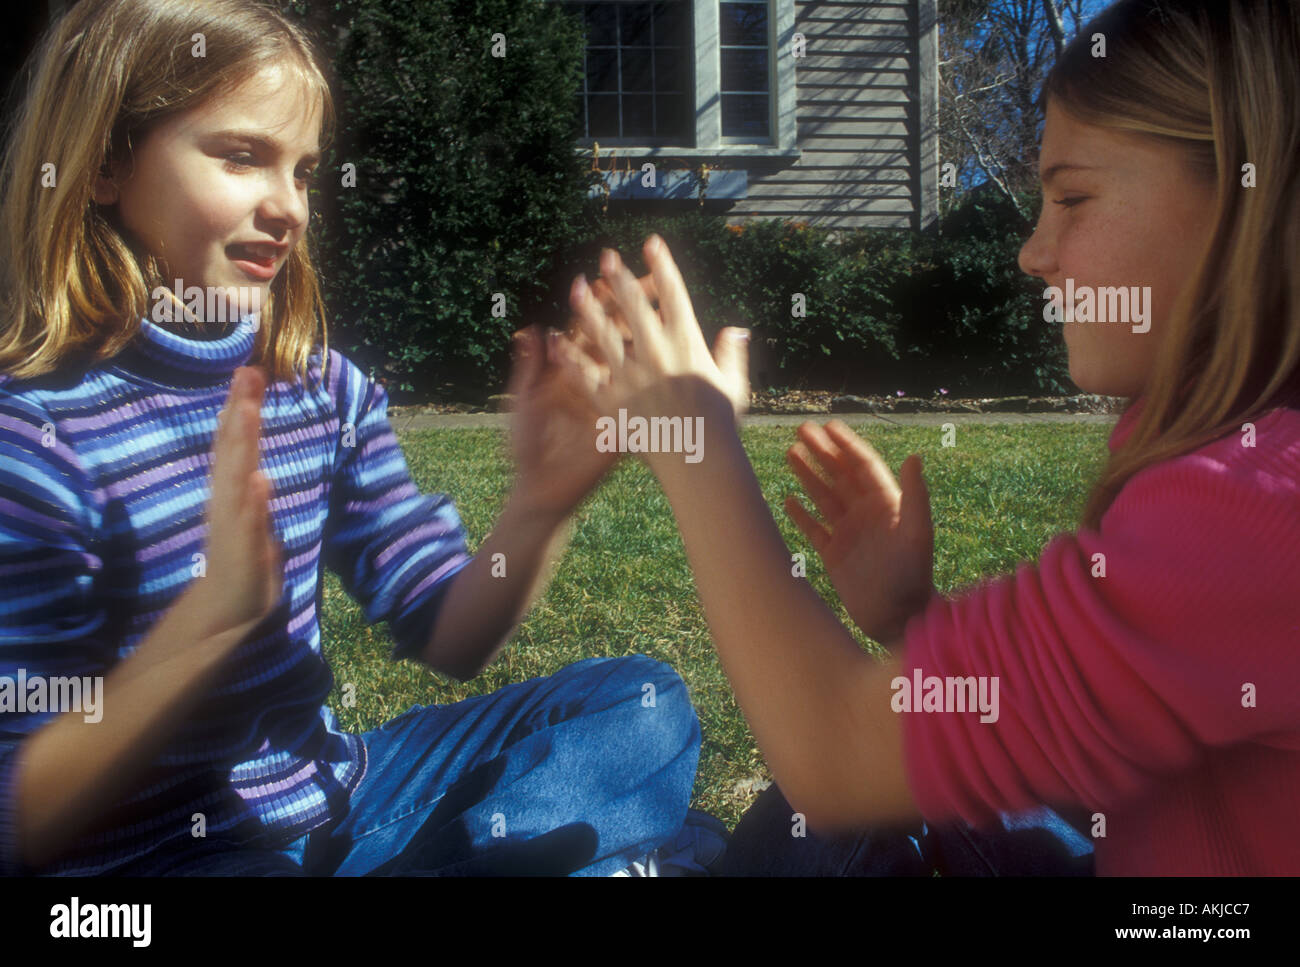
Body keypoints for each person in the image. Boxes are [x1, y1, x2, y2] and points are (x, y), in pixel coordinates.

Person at [556, 0, 1300, 875]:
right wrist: (918, 621)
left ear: (1250, 197)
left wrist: (693, 442)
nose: (1033, 252)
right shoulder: (1236, 462)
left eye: (1073, 197)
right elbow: (1104, 738)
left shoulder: (1252, 509)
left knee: (824, 816)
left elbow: (836, 754)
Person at [0, 0, 700, 877]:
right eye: (242, 155)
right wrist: (203, 625)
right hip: (159, 864)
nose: (287, 206)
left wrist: (539, 505)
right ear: (104, 161)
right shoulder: (37, 437)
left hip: (346, 802)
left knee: (640, 703)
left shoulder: (322, 390)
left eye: (303, 172)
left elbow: (449, 630)